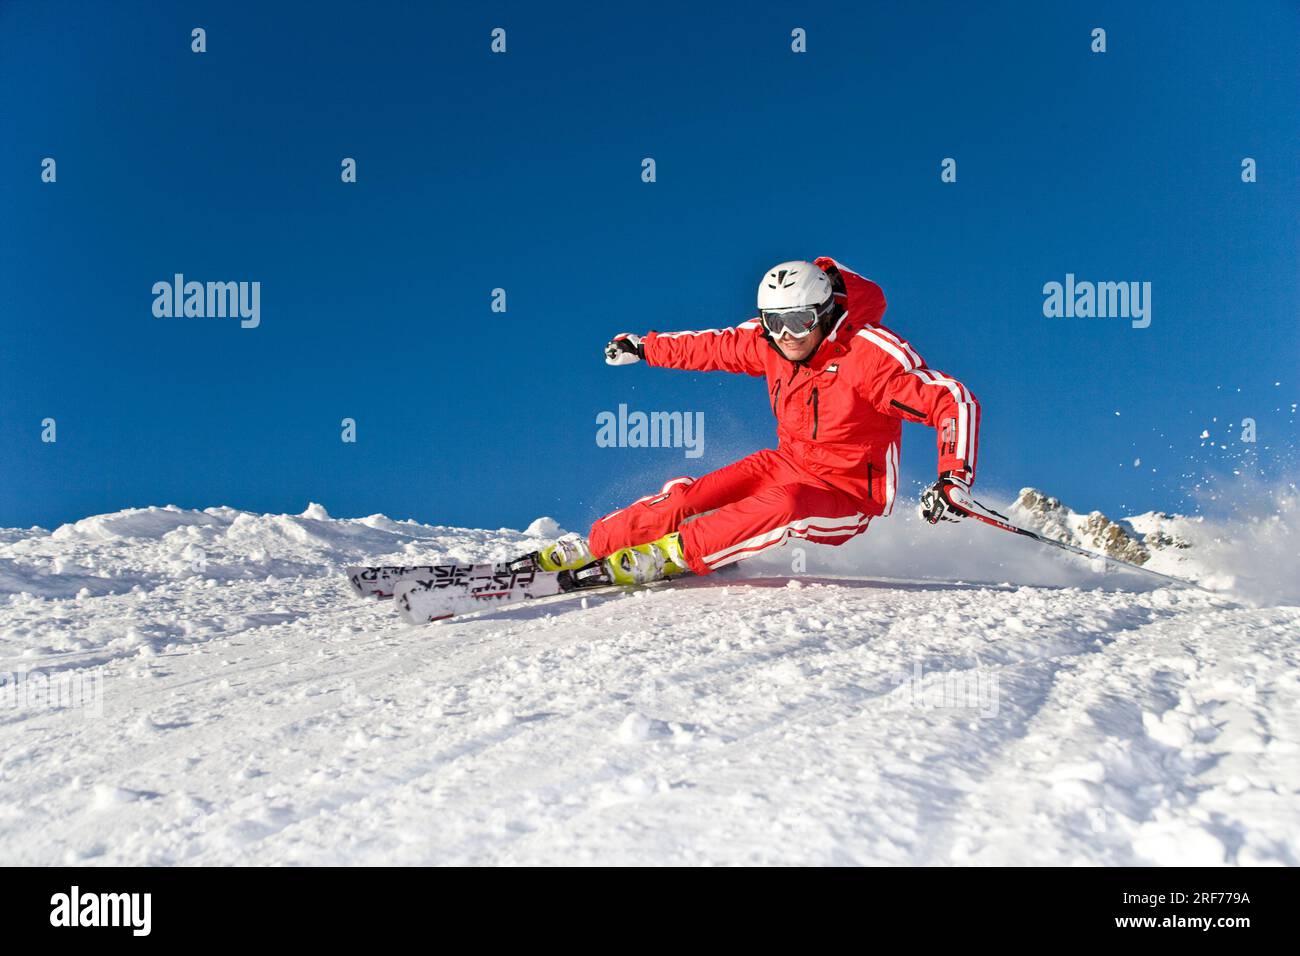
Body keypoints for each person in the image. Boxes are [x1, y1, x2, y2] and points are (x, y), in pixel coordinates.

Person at [541, 258, 982, 585]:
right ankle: (596, 544)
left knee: (784, 504)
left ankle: (675, 554)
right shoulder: (768, 343)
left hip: (846, 495)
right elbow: (712, 347)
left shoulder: (868, 355)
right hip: (786, 461)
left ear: (825, 313)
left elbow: (952, 401)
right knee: (695, 496)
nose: (788, 336)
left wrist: (952, 478)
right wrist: (645, 348)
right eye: (775, 323)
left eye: (799, 321)